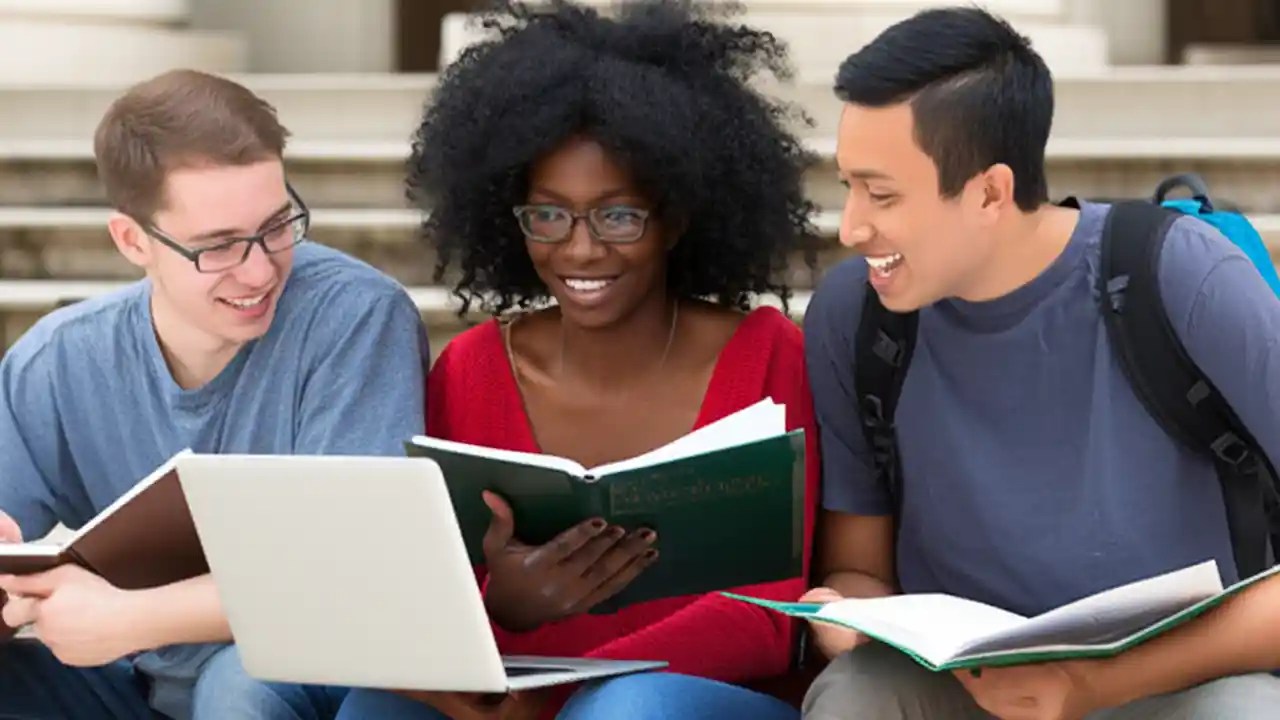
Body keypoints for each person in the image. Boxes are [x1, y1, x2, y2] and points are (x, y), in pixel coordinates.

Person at [334, 1, 821, 718]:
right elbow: (438, 598)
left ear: (677, 217)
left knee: (626, 710)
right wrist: (510, 604)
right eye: (550, 215)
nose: (581, 249)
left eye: (618, 216)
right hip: (518, 701)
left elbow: (772, 613)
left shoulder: (768, 356)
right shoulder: (471, 369)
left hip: (697, 704)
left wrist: (560, 695)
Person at [799, 6, 1280, 720]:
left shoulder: (1182, 275)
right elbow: (860, 567)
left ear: (989, 192)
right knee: (855, 697)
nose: (852, 226)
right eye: (848, 185)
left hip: (1180, 680)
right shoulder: (857, 316)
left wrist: (1091, 685)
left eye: (882, 193)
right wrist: (843, 612)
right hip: (970, 688)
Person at [0, 70, 430, 720]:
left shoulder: (354, 320)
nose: (260, 270)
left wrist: (131, 619)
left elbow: (354, 571)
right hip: (133, 690)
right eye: (219, 246)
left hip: (298, 680)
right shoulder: (60, 362)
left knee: (240, 683)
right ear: (132, 240)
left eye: (277, 224)